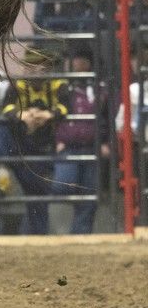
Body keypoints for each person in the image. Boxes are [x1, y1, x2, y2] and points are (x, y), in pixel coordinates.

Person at [0, 47, 69, 235]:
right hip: (22, 144)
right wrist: (23, 115)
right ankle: (1, 167)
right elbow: (6, 108)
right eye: (31, 66)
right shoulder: (18, 84)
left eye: (40, 66)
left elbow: (65, 106)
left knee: (36, 192)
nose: (36, 71)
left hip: (45, 145)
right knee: (0, 128)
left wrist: (47, 115)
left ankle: (35, 234)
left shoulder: (58, 84)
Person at [52, 45, 108, 235]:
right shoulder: (62, 86)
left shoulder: (100, 87)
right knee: (63, 186)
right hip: (67, 146)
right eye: (76, 59)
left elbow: (107, 116)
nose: (79, 63)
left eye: (83, 59)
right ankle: (78, 232)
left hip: (92, 146)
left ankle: (80, 236)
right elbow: (53, 114)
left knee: (89, 194)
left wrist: (105, 141)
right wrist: (56, 140)